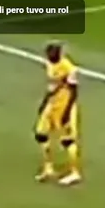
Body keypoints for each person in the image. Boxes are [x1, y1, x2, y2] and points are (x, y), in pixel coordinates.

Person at [35, 41, 82, 185]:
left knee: (67, 140)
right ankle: (48, 167)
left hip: (65, 105)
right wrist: (44, 102)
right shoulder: (49, 65)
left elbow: (74, 92)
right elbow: (52, 86)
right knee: (41, 134)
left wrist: (67, 112)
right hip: (52, 104)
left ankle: (75, 173)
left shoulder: (69, 68)